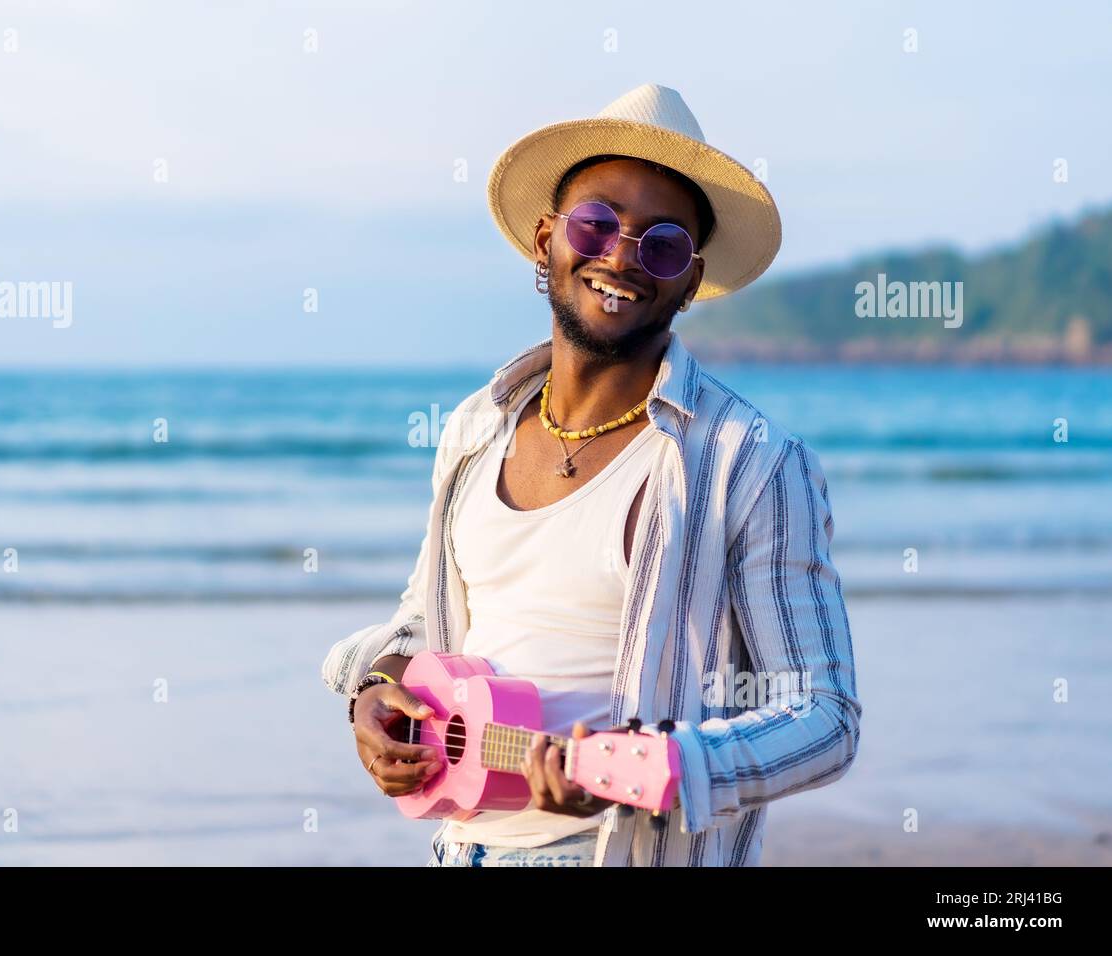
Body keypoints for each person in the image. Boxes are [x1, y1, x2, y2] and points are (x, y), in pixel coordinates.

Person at [321, 83, 861, 867]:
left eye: (662, 244)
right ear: (547, 239)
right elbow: (425, 621)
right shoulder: (477, 428)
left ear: (689, 279)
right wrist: (375, 689)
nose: (621, 256)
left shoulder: (750, 461)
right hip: (460, 845)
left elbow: (824, 715)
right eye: (596, 224)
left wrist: (658, 769)